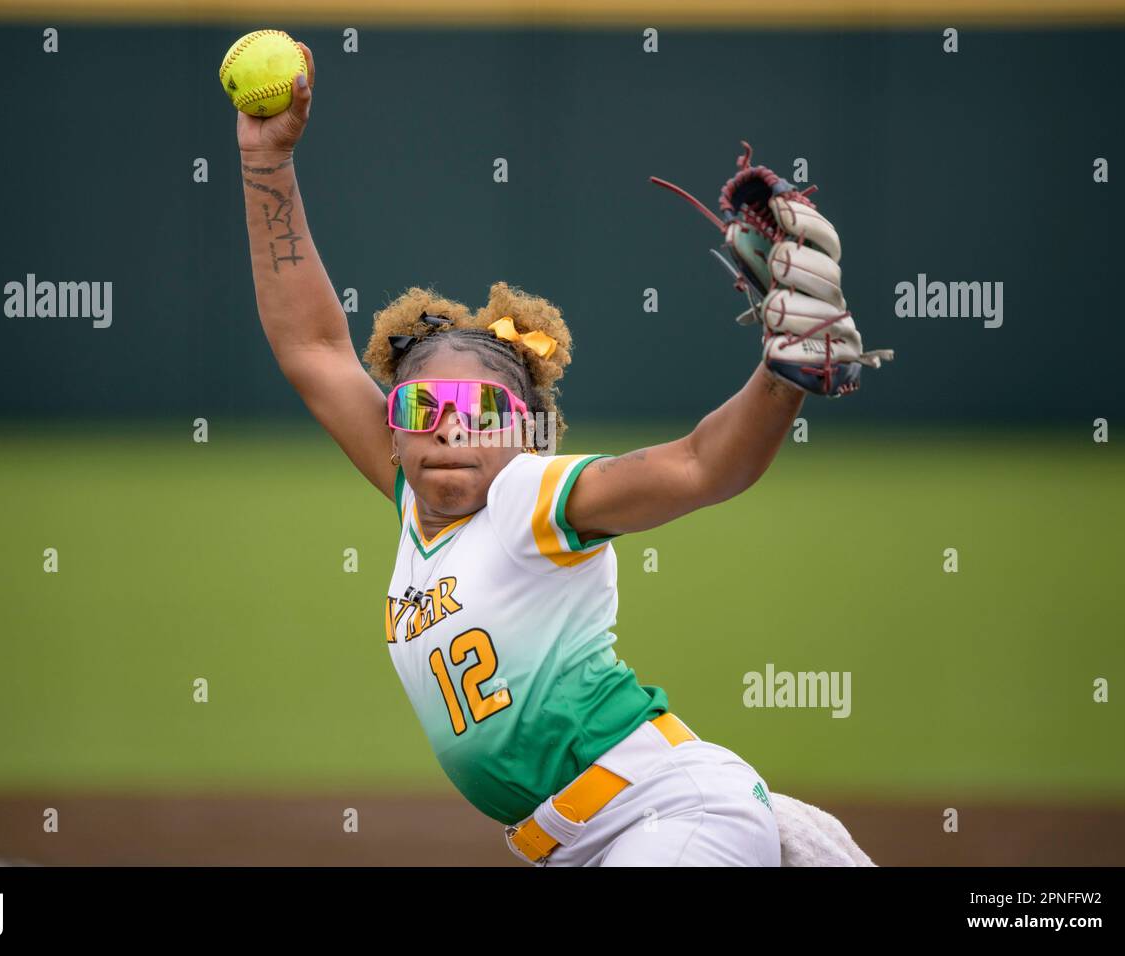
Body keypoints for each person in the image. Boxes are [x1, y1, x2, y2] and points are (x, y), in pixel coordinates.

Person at [237, 44, 810, 867]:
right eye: (422, 408)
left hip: (669, 815)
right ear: (393, 430)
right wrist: (267, 161)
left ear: (532, 432)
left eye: (481, 412)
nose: (449, 429)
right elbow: (313, 346)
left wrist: (780, 374)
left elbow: (698, 466)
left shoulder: (525, 499)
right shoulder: (415, 501)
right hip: (581, 845)